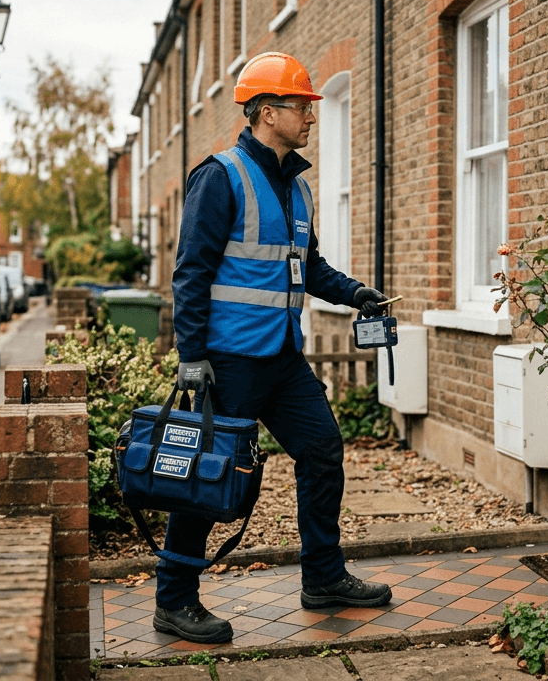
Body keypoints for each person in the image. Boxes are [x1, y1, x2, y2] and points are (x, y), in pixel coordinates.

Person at [153, 52, 392, 644]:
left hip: (282, 358)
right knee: (207, 479)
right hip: (226, 362)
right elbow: (191, 273)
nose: (310, 115)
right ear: (265, 111)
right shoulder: (221, 176)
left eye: (311, 105)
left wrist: (356, 292)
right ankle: (174, 600)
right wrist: (191, 356)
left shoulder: (298, 190)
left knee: (323, 450)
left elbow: (306, 268)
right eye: (300, 105)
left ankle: (324, 578)